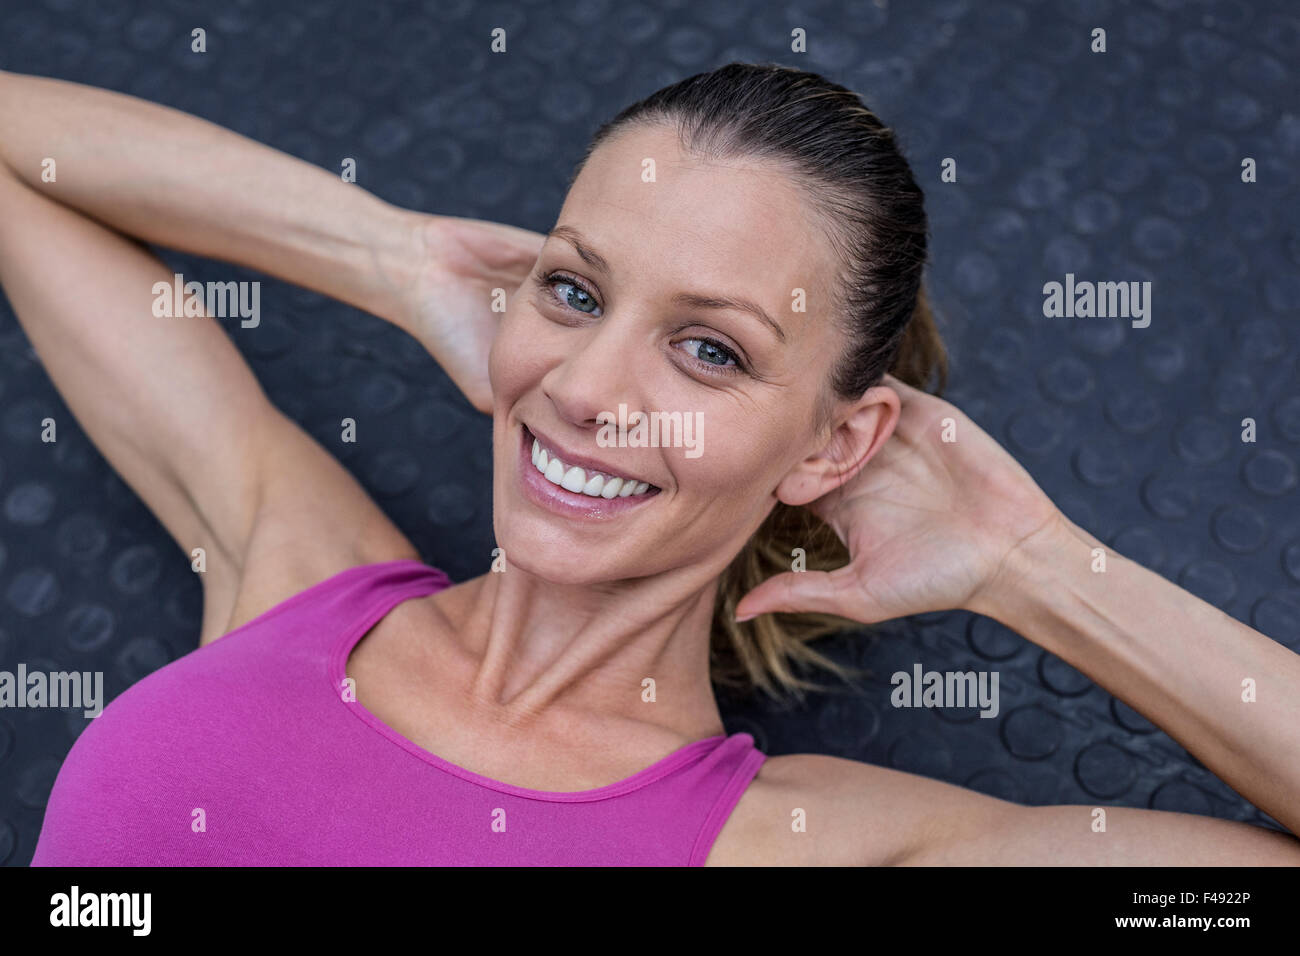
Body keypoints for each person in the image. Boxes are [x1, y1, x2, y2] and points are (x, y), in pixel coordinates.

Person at [3, 62, 1297, 866]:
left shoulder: (812, 846)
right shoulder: (293, 572)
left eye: (710, 352)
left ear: (835, 443)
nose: (585, 389)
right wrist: (391, 259)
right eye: (574, 292)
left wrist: (1032, 568)